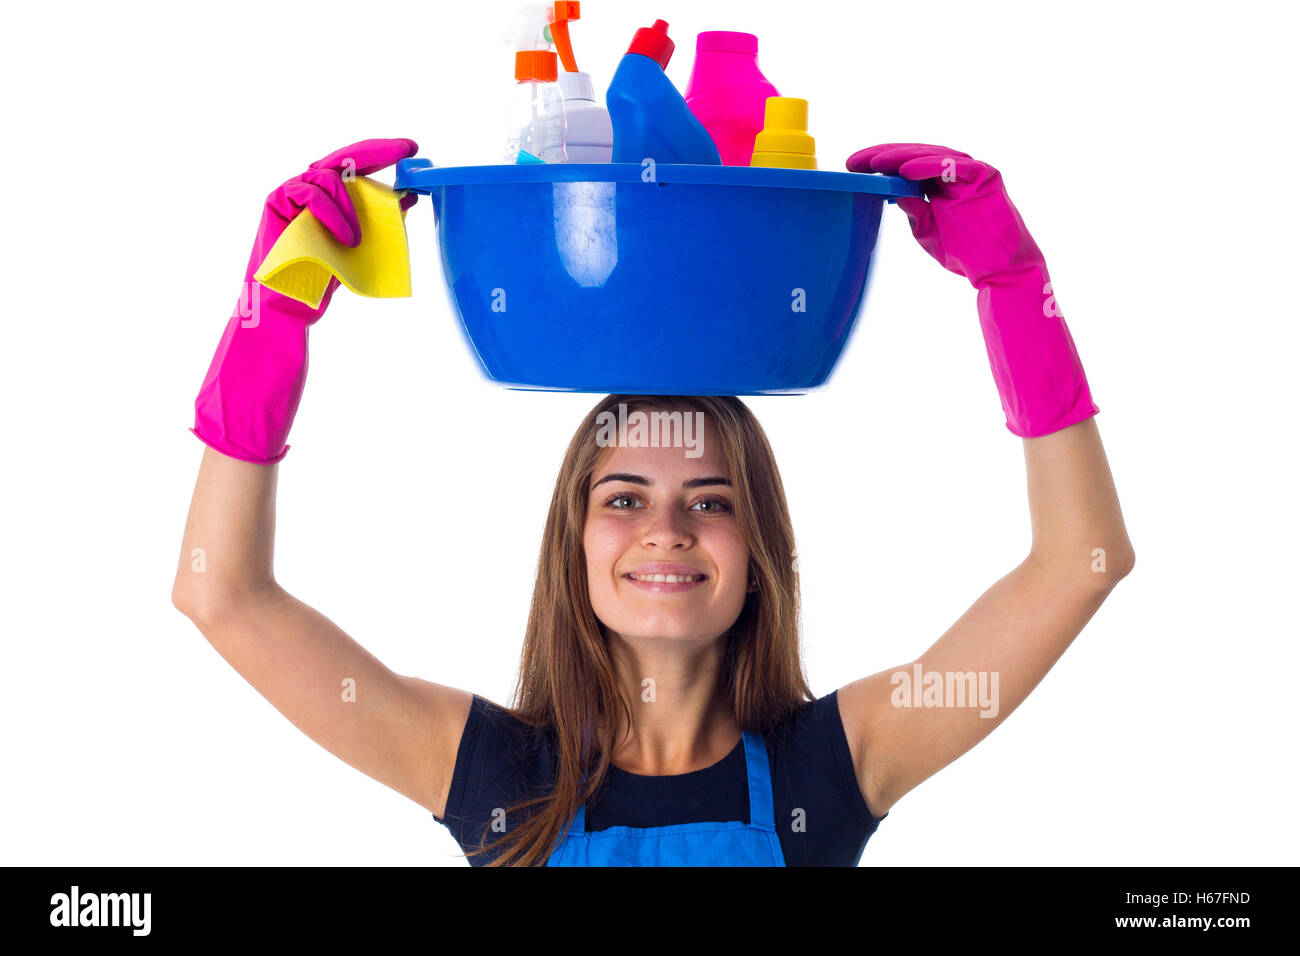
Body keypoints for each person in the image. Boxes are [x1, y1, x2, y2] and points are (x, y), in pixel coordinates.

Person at [172, 138, 1135, 866]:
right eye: (624, 497)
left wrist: (1015, 294)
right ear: (574, 543)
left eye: (710, 501)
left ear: (761, 550)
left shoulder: (839, 765)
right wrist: (272, 317)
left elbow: (1079, 564)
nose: (666, 529)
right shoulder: (495, 775)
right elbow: (223, 597)